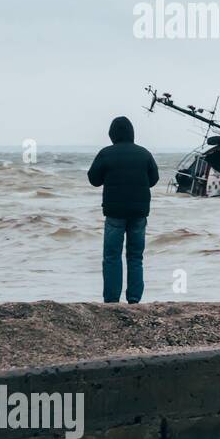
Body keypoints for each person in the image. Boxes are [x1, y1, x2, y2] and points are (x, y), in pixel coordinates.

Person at [87, 116, 159, 303]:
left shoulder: (106, 153)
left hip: (114, 212)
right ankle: (134, 299)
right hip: (139, 212)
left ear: (112, 135)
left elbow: (93, 179)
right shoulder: (144, 154)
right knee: (135, 256)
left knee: (112, 256)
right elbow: (154, 179)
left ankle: (111, 300)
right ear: (132, 134)